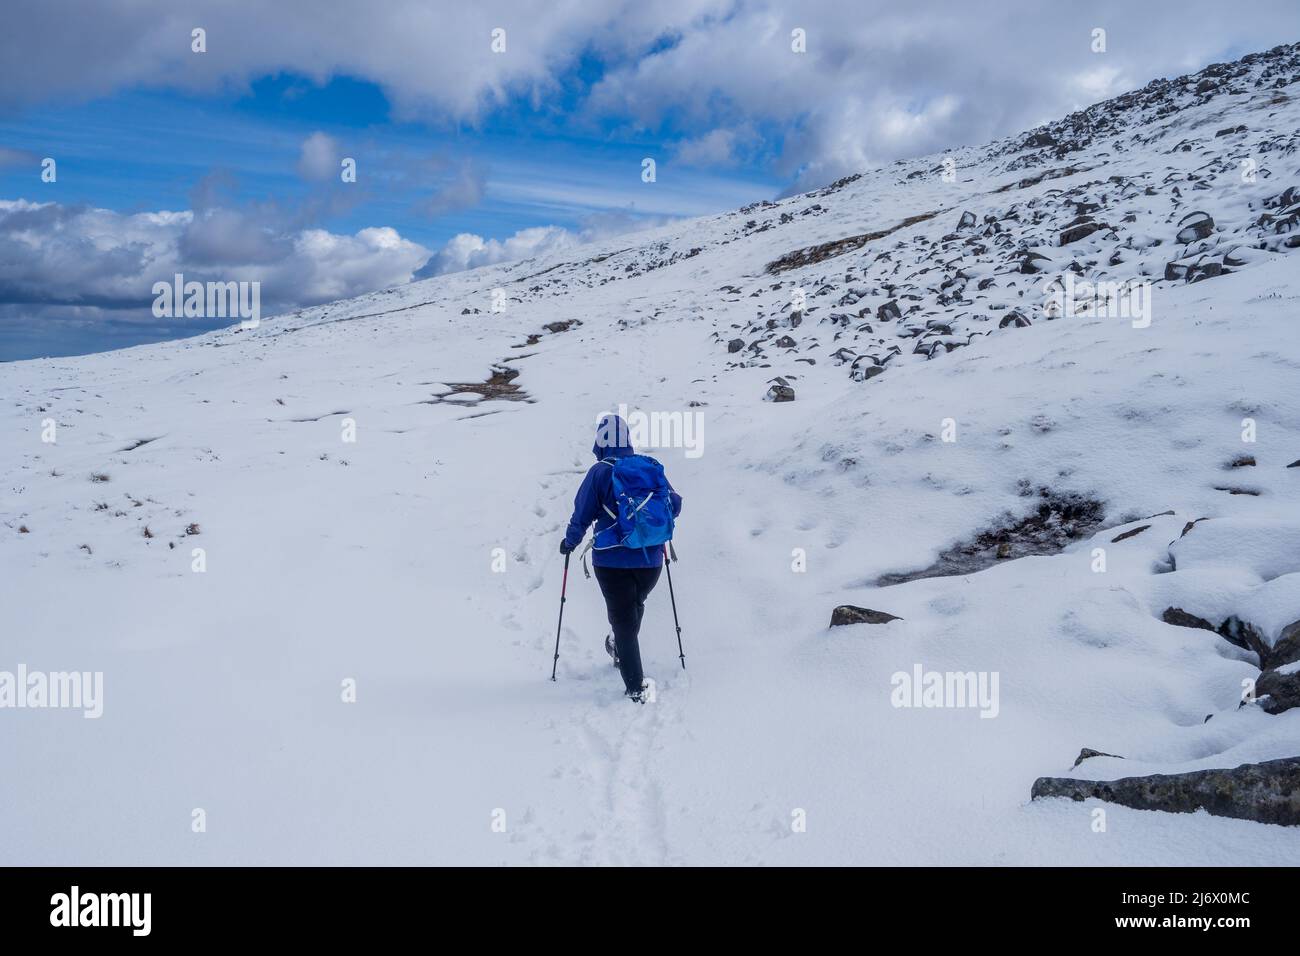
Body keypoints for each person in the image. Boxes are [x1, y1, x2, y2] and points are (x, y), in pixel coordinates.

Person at [561, 414, 682, 702]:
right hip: (650, 558)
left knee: (624, 621)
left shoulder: (599, 472)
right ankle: (620, 647)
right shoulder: (649, 468)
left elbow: (582, 514)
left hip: (611, 561)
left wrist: (570, 542)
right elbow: (674, 504)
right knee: (633, 607)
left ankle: (636, 689)